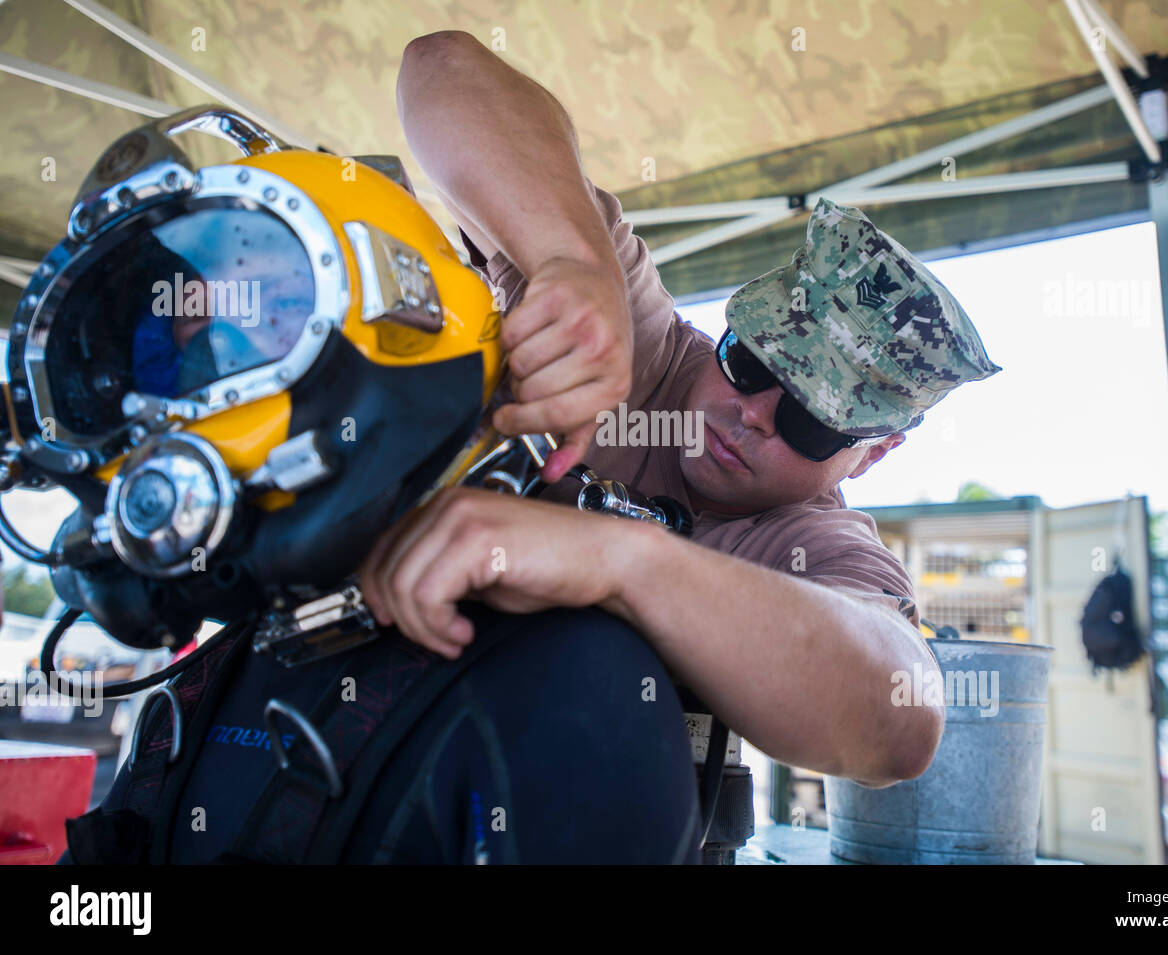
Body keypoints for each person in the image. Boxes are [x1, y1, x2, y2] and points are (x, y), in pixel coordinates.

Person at [360, 30, 1004, 801]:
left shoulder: (813, 544)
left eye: (814, 422)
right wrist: (574, 260)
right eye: (750, 363)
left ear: (872, 455)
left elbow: (902, 719)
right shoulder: (635, 337)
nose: (754, 413)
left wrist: (620, 560)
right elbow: (440, 67)